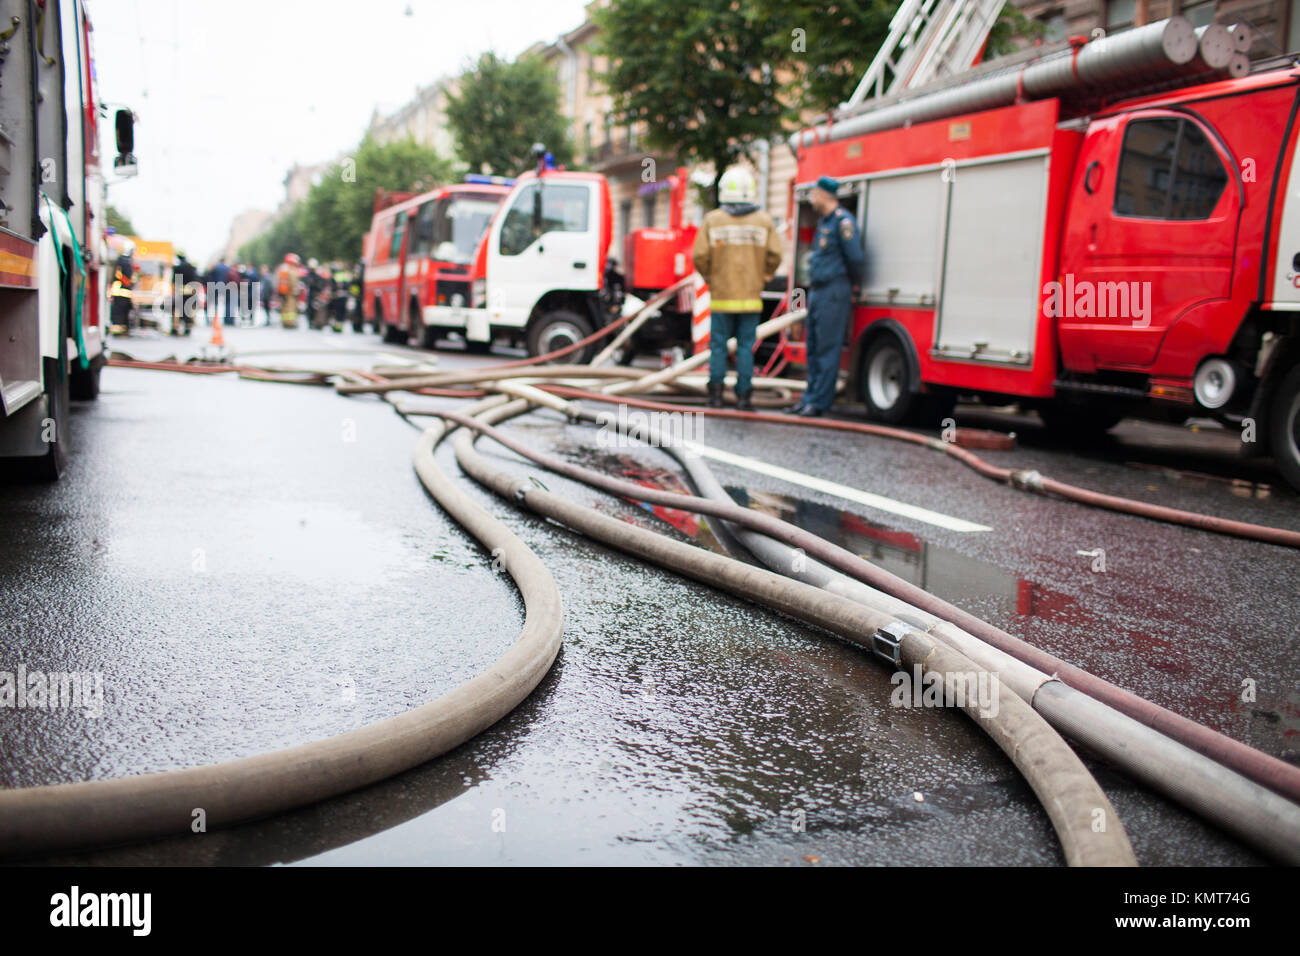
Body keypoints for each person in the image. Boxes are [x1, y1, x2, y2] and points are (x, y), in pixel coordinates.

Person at [692, 166, 783, 411]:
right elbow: (775, 254)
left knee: (719, 347)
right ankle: (743, 397)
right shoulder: (763, 221)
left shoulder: (713, 220)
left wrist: (712, 277)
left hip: (722, 295)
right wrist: (763, 276)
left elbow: (699, 255)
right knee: (745, 347)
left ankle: (716, 396)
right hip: (751, 297)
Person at [792, 175, 864, 418]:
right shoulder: (825, 222)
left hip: (834, 290)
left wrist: (849, 285)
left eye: (814, 193)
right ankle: (809, 398)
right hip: (819, 290)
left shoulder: (843, 222)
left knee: (826, 349)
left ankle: (820, 403)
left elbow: (855, 258)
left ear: (824, 195)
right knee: (813, 347)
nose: (811, 198)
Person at [109, 241, 135, 335]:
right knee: (120, 311)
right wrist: (128, 282)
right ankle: (118, 328)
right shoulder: (124, 262)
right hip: (121, 291)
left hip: (122, 292)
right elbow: (120, 275)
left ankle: (121, 328)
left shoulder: (122, 260)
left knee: (123, 311)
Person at [276, 253, 302, 328]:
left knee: (284, 308)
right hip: (291, 293)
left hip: (283, 292)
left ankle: (285, 322)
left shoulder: (282, 269)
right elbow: (294, 282)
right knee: (291, 308)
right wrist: (297, 290)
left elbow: (277, 281)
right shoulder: (292, 270)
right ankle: (291, 323)